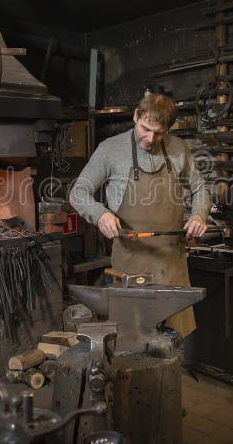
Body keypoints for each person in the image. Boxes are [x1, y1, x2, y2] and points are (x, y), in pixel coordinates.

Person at [69, 93, 210, 338]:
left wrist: (199, 215)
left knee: (172, 340)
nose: (150, 138)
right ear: (136, 116)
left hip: (171, 263)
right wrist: (100, 214)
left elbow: (201, 189)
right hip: (130, 264)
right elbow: (78, 192)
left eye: (159, 133)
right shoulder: (111, 149)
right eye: (145, 129)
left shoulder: (178, 149)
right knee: (132, 338)